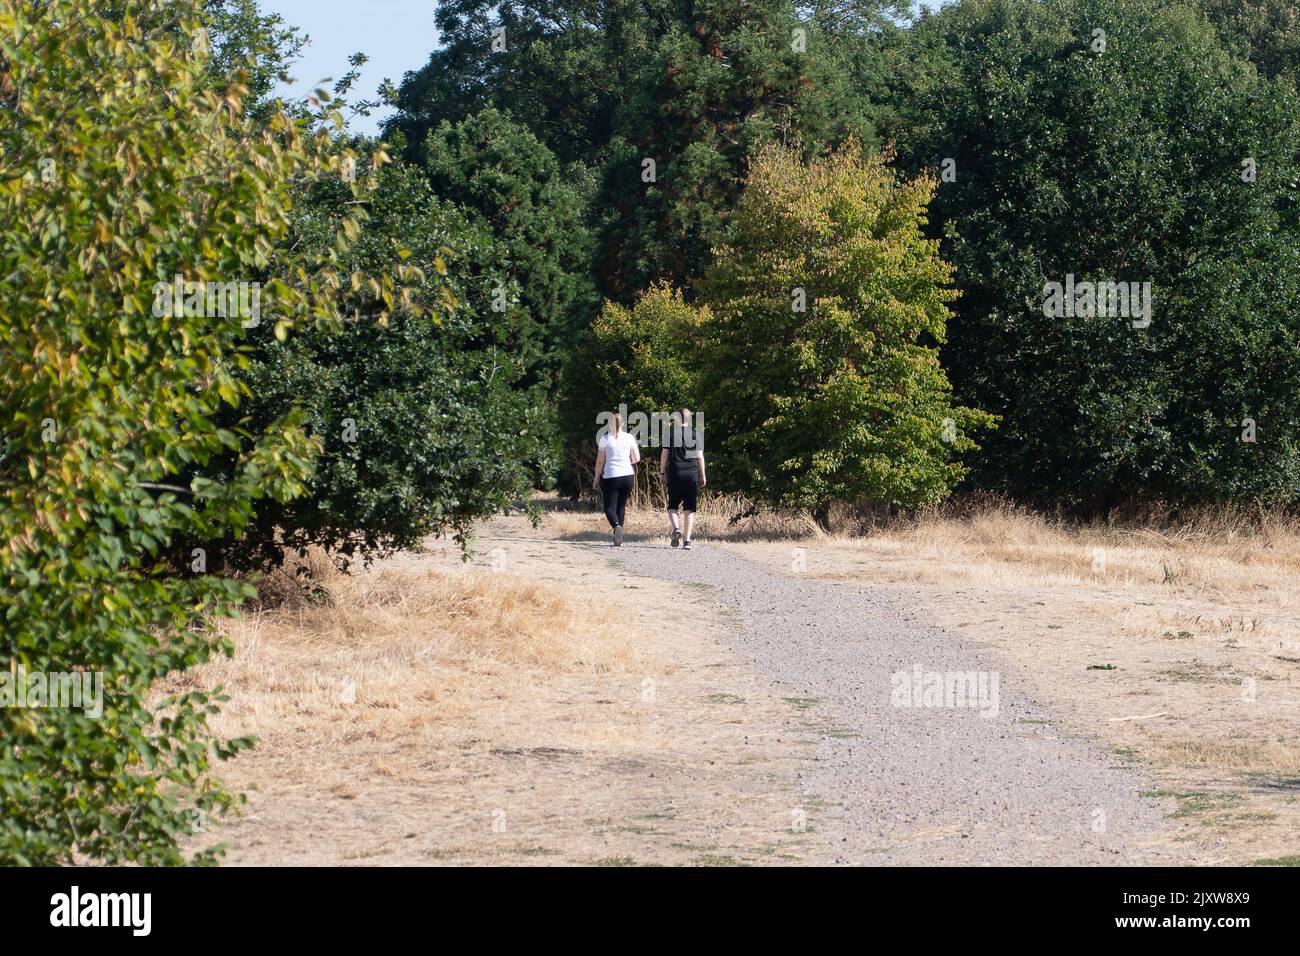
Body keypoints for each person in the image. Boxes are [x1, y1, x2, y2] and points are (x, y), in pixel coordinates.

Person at [659, 406, 706, 549]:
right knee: (689, 509)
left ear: (677, 418)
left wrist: (662, 472)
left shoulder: (670, 434)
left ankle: (676, 529)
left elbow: (664, 455)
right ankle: (687, 541)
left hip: (675, 473)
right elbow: (700, 457)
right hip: (691, 474)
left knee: (672, 506)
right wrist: (702, 474)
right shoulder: (695, 434)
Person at [593, 412, 639, 546]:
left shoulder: (605, 439)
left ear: (609, 424)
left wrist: (596, 477)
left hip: (611, 476)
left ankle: (617, 526)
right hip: (627, 475)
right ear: (623, 423)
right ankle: (618, 536)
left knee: (609, 507)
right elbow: (637, 458)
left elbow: (600, 461)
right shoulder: (629, 438)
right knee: (621, 505)